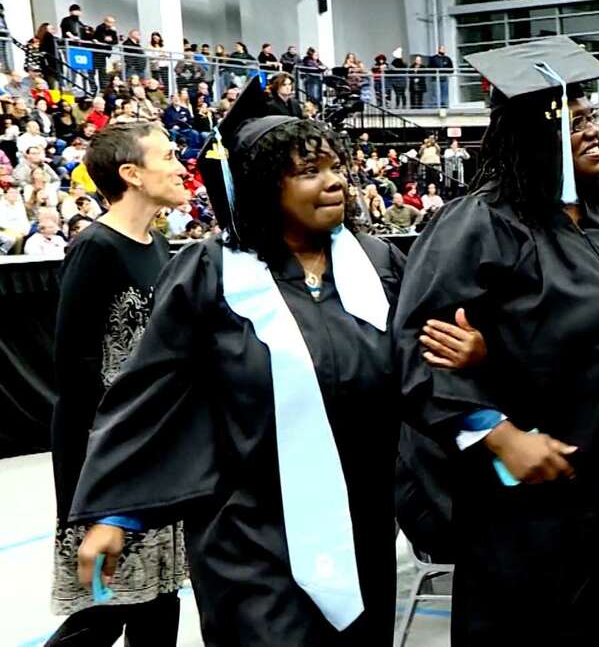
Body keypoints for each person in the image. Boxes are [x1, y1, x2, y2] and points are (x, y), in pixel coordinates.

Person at [394, 36, 599, 645]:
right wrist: (498, 435)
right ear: (534, 131)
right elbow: (421, 357)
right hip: (532, 497)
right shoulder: (478, 225)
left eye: (594, 116)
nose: (594, 130)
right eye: (575, 121)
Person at [70, 79, 406, 644]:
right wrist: (115, 514)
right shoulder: (211, 272)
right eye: (309, 172)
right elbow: (153, 389)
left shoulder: (377, 264)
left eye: (335, 167)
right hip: (249, 528)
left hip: (361, 520)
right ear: (262, 188)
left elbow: (419, 370)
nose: (335, 183)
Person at [46, 122, 190, 646]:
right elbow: (76, 373)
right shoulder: (96, 248)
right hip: (109, 460)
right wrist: (90, 488)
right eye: (169, 156)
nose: (181, 166)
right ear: (131, 174)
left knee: (159, 604)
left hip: (155, 453)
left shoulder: (159, 245)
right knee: (102, 611)